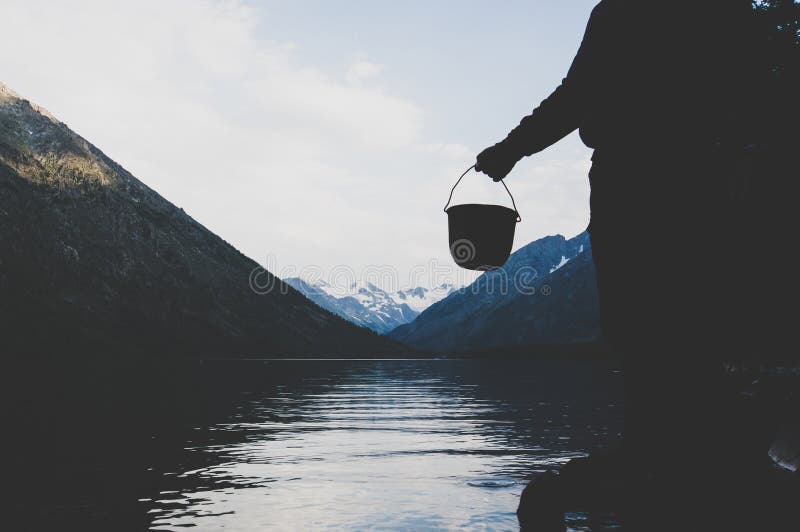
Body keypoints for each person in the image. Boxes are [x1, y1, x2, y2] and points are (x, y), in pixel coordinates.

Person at [475, 1, 792, 528]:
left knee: (647, 316)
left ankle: (662, 453)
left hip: (650, 172)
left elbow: (576, 96)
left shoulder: (625, 13)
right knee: (666, 315)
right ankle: (669, 448)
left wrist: (512, 148)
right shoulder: (658, 11)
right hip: (689, 171)